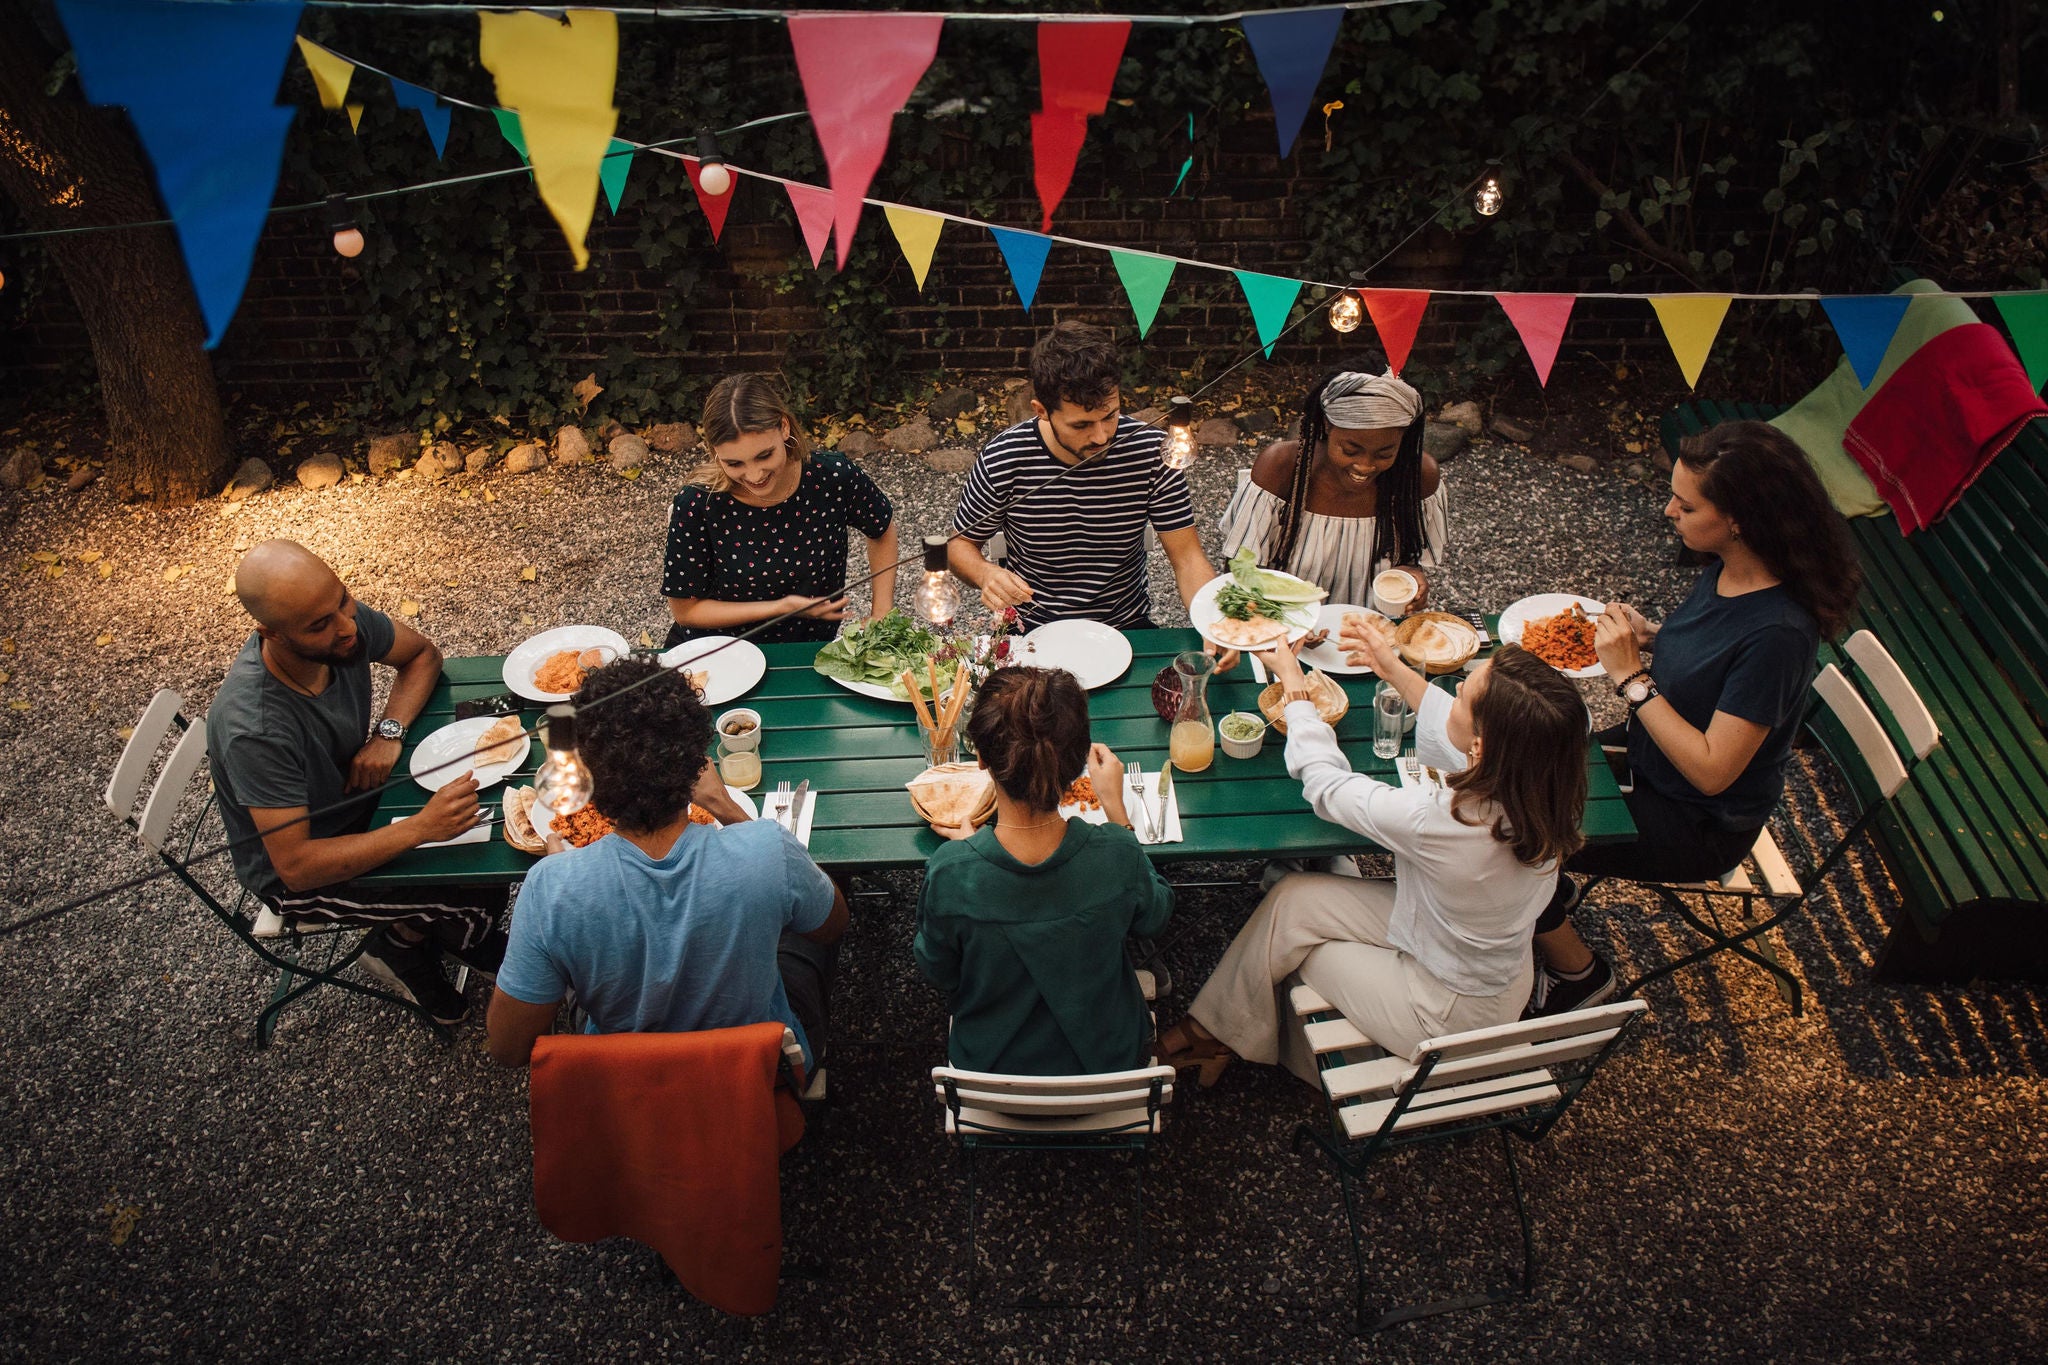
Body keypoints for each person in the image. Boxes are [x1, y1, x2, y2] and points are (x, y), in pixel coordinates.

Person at [1527, 420, 1863, 1015]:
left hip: (1694, 819)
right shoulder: (1730, 568)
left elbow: (1713, 771)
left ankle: (1580, 974)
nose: (1667, 511)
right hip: (1650, 761)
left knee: (1511, 830)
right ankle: (1546, 887)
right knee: (1519, 747)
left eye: (1685, 504)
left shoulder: (1778, 634)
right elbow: (1709, 659)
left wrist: (1631, 677)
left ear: (1739, 517)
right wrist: (1654, 638)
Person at [1156, 629, 1588, 1086]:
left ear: (1483, 748)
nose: (1456, 689)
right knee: (1292, 898)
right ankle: (1211, 1029)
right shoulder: (1544, 788)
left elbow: (1327, 788)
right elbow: (1460, 731)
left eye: (1464, 695)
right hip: (1467, 953)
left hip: (1442, 1009)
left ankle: (1239, 1042)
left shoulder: (1447, 825)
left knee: (1293, 950)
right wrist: (1393, 669)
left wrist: (1295, 689)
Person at [486, 657, 848, 1069]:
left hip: (626, 1083)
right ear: (696, 764)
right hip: (759, 1074)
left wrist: (561, 876)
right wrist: (727, 808)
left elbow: (508, 1048)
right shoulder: (768, 849)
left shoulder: (549, 888)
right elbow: (832, 924)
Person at [208, 540, 506, 1026]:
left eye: (343, 601)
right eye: (320, 625)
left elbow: (423, 655)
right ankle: (407, 948)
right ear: (271, 634)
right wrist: (419, 829)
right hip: (305, 871)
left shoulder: (334, 622)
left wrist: (389, 734)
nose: (348, 628)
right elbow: (298, 867)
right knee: (475, 895)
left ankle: (402, 939)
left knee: (490, 843)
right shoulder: (255, 729)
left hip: (362, 803)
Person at [914, 666, 1172, 1076]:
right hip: (1109, 1065)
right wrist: (1118, 814)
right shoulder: (1117, 853)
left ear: (980, 758)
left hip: (991, 1075)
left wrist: (967, 856)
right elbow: (1156, 916)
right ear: (1076, 766)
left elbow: (938, 968)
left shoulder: (951, 872)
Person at [948, 321, 1225, 635]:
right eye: (1081, 425)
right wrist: (985, 573)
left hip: (1126, 627)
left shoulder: (1152, 451)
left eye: (1110, 415)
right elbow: (959, 546)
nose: (1102, 436)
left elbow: (1188, 558)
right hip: (1033, 629)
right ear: (1041, 411)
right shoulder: (1005, 456)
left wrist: (1215, 625)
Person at [662, 372, 899, 649]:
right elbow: (685, 611)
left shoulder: (833, 477)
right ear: (715, 452)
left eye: (764, 455)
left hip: (807, 652)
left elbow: (882, 528)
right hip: (714, 654)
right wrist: (780, 608)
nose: (754, 475)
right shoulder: (697, 503)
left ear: (784, 427)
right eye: (734, 463)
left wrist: (881, 612)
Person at [1219, 362, 1447, 606]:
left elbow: (1411, 559)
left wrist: (1411, 575)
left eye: (1384, 454)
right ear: (1327, 426)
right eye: (1351, 450)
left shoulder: (1418, 476)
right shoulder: (1281, 468)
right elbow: (1239, 568)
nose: (1365, 466)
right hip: (1283, 624)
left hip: (1373, 630)